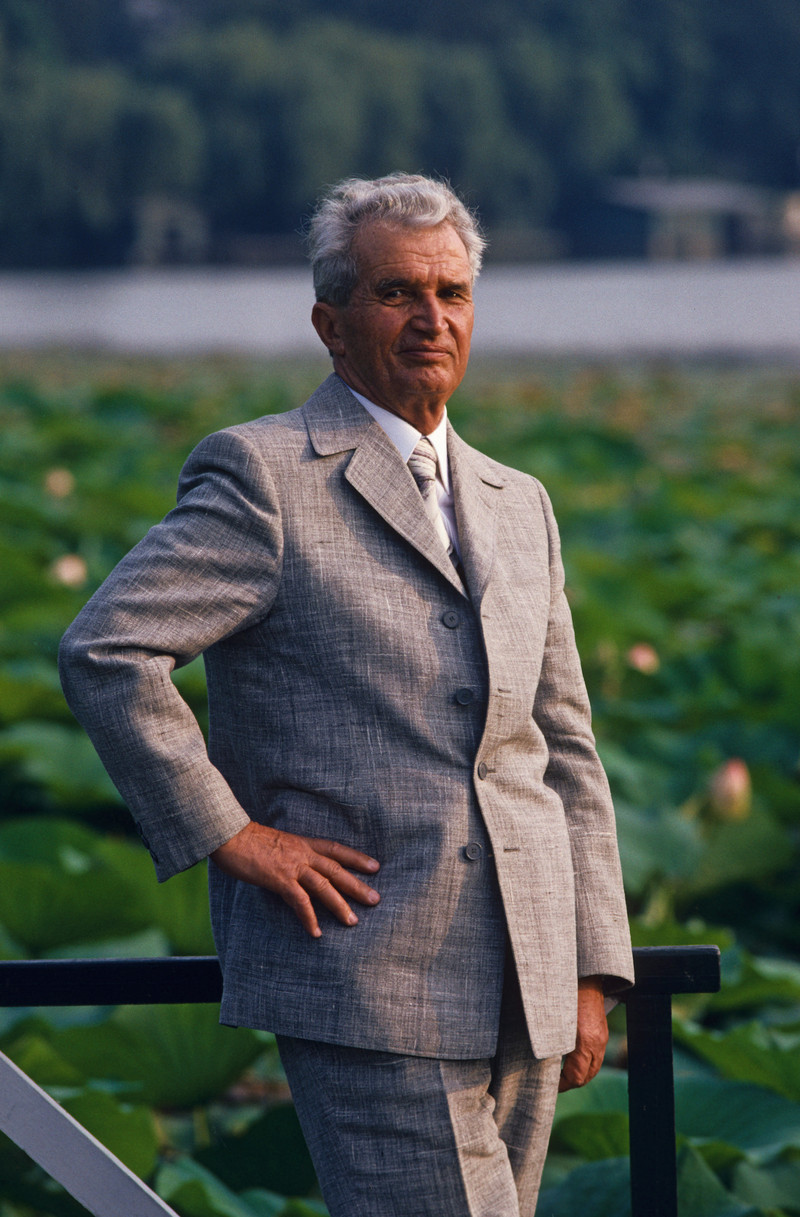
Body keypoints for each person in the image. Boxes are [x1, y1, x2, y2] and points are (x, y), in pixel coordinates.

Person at [59, 173, 633, 1216]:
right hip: (369, 976)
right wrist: (231, 834)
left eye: (451, 293)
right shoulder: (263, 474)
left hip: (533, 981)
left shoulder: (520, 501)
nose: (430, 319)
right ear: (330, 322)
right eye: (395, 293)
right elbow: (107, 649)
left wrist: (592, 964)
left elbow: (562, 745)